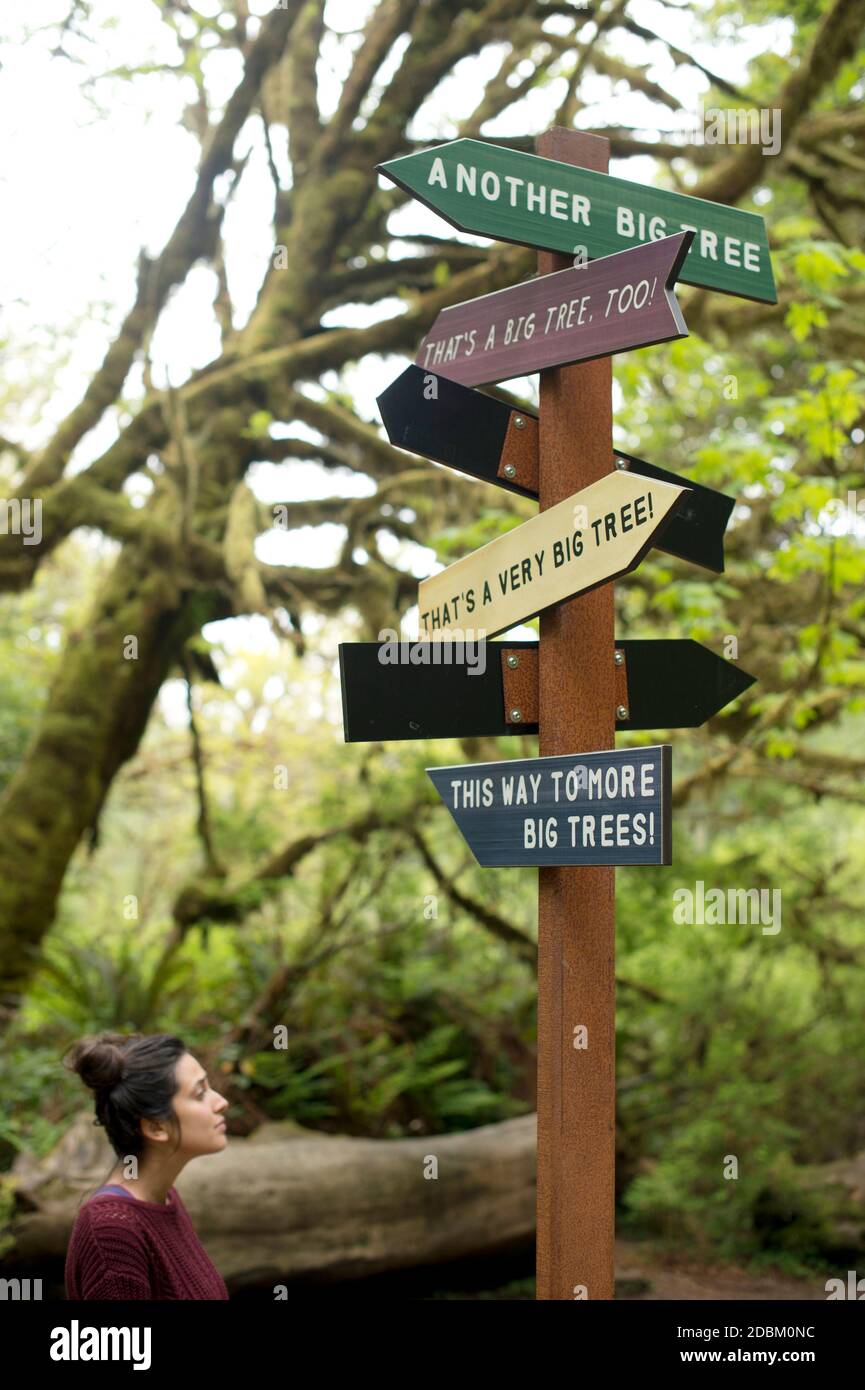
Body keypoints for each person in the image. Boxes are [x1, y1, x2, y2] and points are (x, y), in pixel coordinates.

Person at [64, 1032, 230, 1299]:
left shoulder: (164, 1198)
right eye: (200, 1093)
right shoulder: (111, 1230)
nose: (221, 1102)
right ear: (156, 1127)